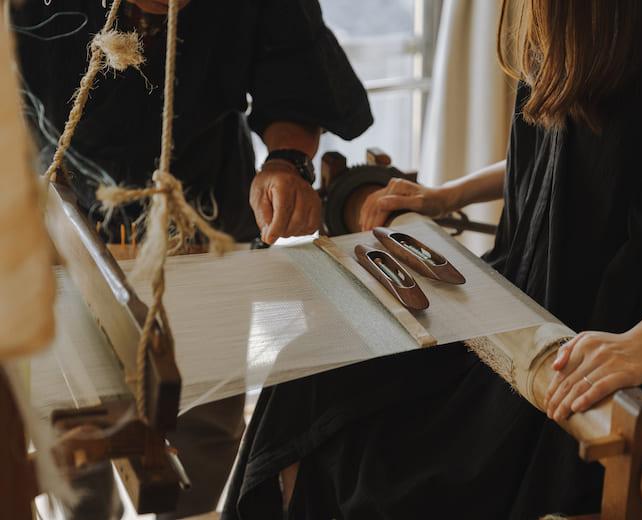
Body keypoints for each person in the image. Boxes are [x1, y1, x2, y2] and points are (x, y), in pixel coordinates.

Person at [223, 0, 642, 518]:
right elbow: (561, 151)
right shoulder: (550, 11)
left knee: (390, 471)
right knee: (309, 379)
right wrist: (447, 196)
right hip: (535, 291)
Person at [10, 0, 372, 518]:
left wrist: (285, 164)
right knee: (75, 423)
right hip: (59, 214)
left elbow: (296, 82)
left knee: (203, 425)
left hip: (203, 220)